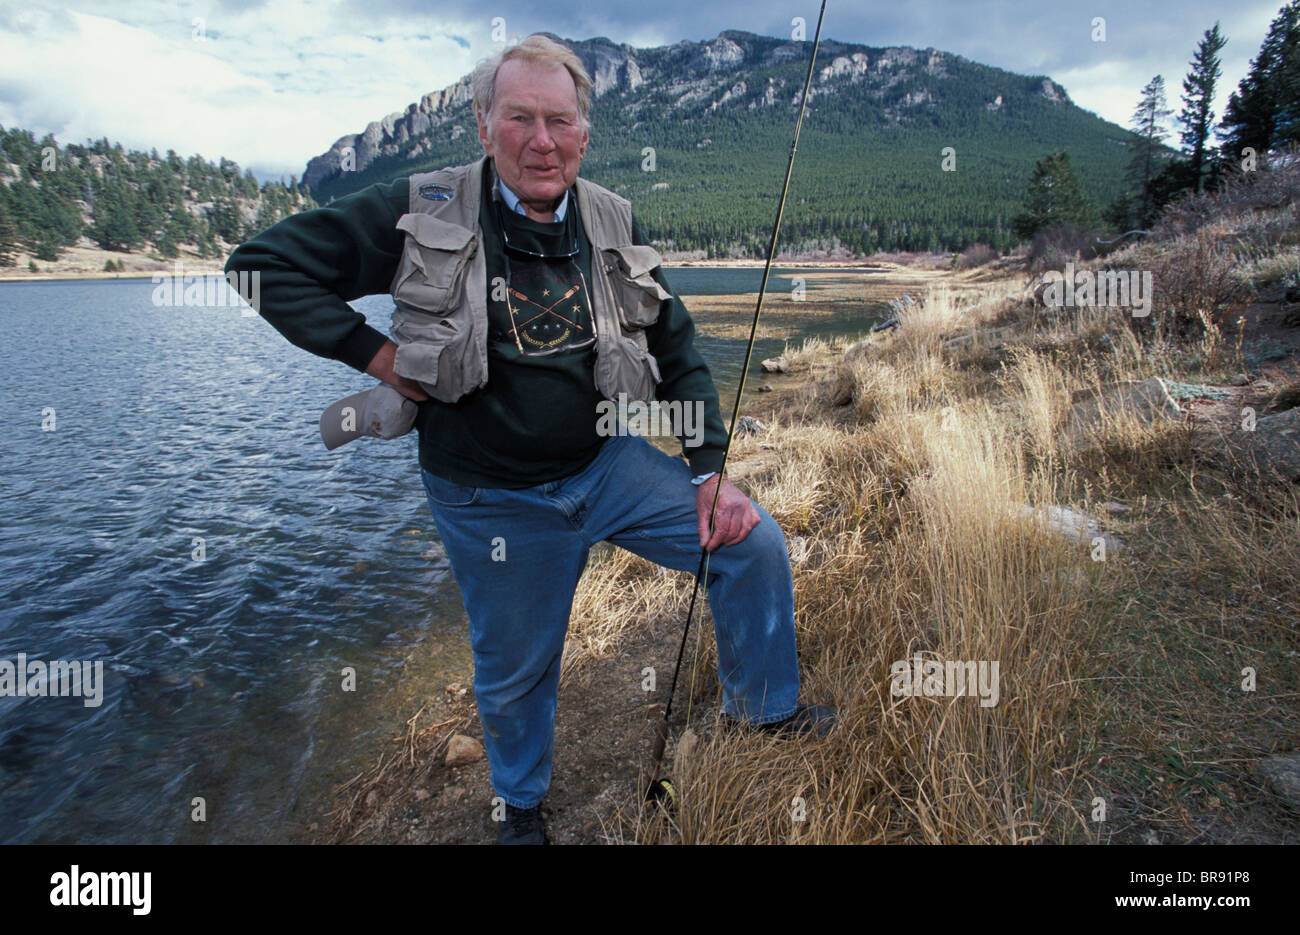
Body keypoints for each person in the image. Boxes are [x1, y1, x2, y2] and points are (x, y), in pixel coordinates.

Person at [225, 34, 835, 845]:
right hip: (489, 496)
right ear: (483, 126)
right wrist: (373, 355)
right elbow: (261, 265)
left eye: (560, 121)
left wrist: (708, 472)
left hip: (604, 465)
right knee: (516, 672)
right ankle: (520, 808)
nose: (541, 141)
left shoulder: (610, 217)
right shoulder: (423, 206)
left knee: (751, 547)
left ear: (585, 132)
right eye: (520, 118)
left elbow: (676, 345)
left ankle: (763, 710)